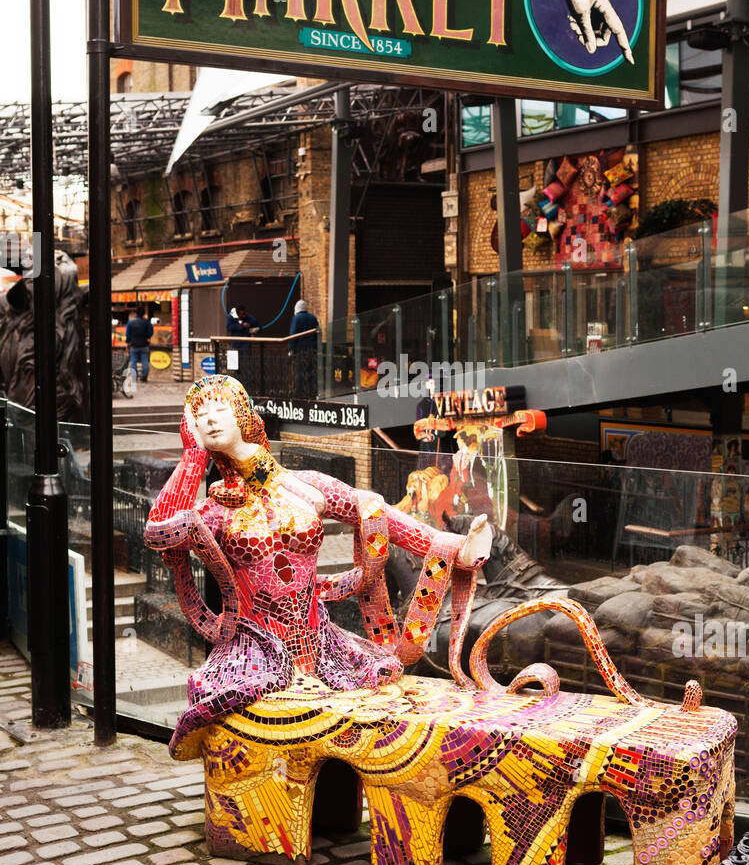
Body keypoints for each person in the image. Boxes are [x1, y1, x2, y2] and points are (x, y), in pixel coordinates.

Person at [144, 375, 491, 757]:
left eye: (219, 407)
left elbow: (377, 514)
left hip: (321, 645)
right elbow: (159, 532)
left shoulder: (305, 486)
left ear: (242, 414)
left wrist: (458, 548)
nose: (210, 419)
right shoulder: (213, 512)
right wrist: (192, 457)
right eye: (199, 415)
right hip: (253, 650)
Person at [289, 298, 319, 398]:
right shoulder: (313, 318)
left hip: (300, 350)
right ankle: (312, 392)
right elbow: (317, 334)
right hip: (312, 349)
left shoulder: (296, 318)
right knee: (312, 371)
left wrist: (291, 349)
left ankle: (299, 393)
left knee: (300, 372)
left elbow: (293, 334)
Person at [125, 304, 153, 384]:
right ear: (143, 313)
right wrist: (147, 336)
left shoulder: (130, 322)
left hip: (134, 345)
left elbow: (128, 334)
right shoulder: (146, 322)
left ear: (135, 313)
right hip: (144, 345)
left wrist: (127, 342)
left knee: (133, 361)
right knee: (145, 362)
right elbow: (150, 332)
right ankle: (143, 378)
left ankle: (134, 377)